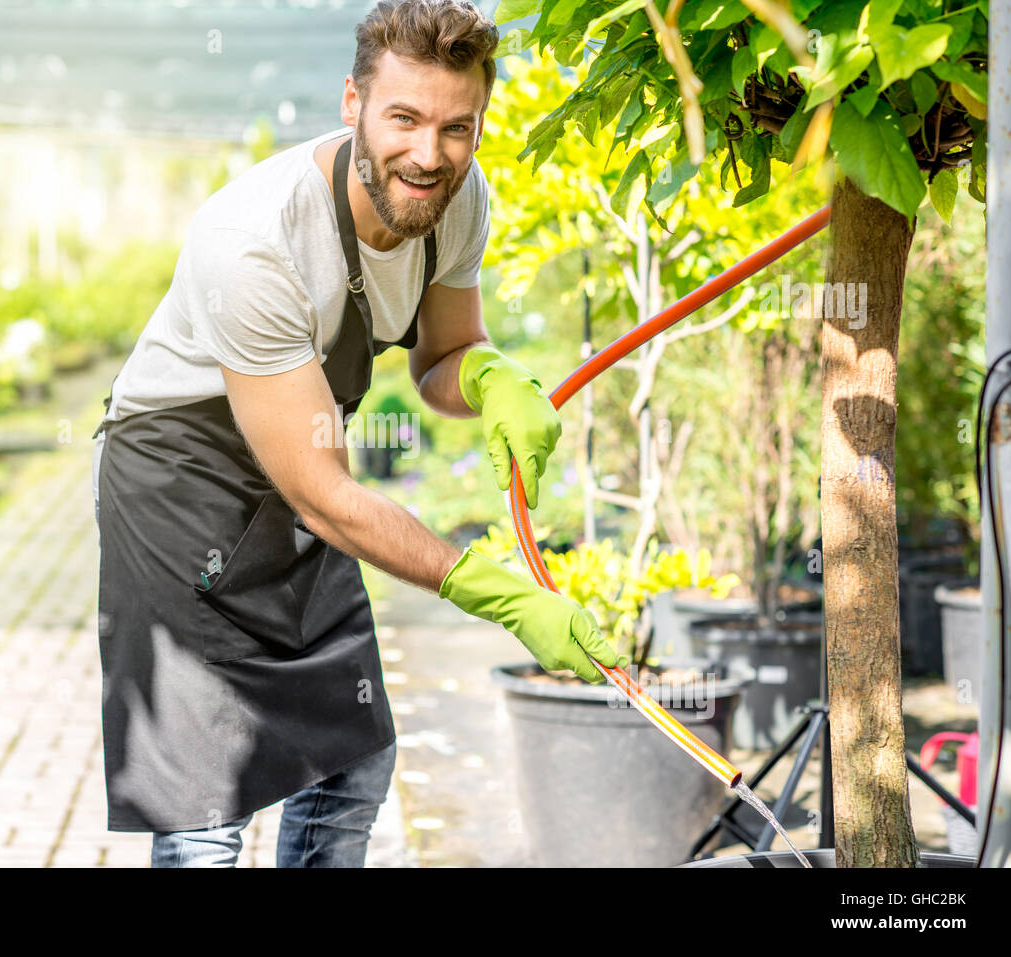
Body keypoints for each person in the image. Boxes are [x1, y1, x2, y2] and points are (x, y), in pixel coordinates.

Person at [90, 0, 625, 868]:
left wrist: (491, 376)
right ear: (352, 105)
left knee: (352, 755)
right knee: (203, 808)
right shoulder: (256, 240)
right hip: (180, 483)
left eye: (459, 127)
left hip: (301, 460)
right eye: (404, 118)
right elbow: (323, 496)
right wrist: (496, 592)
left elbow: (442, 356)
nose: (430, 153)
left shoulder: (456, 197)